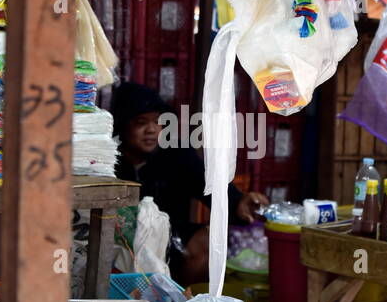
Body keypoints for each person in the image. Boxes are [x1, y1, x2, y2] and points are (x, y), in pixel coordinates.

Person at [112, 82, 269, 285]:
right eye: (141, 122)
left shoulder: (177, 155)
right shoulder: (109, 160)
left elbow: (212, 189)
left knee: (206, 241)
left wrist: (239, 202)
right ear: (123, 126)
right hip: (120, 238)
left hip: (171, 237)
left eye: (157, 122)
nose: (151, 130)